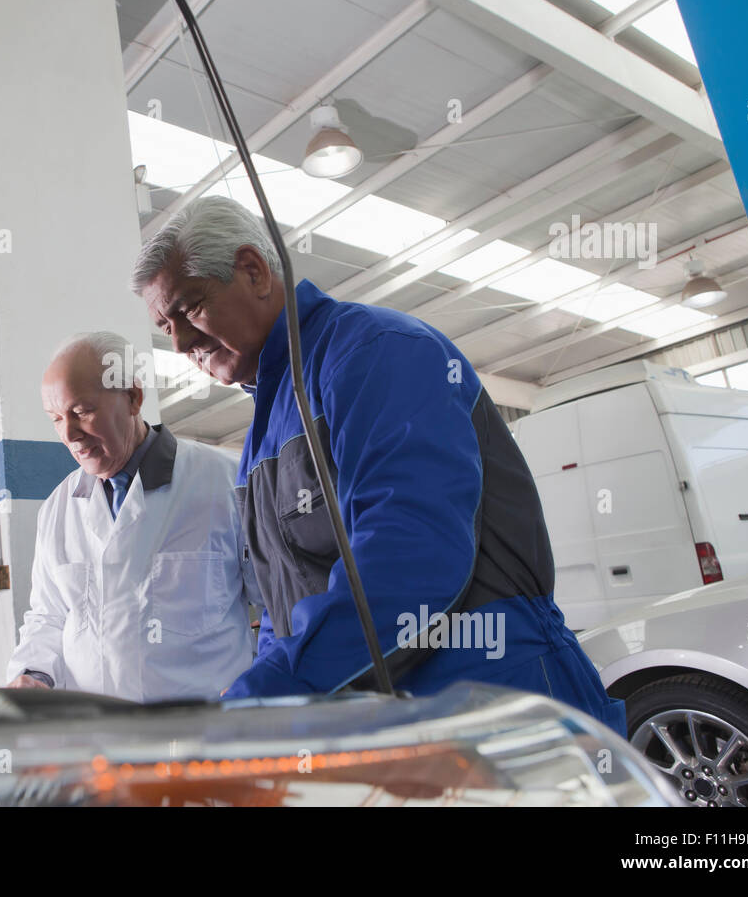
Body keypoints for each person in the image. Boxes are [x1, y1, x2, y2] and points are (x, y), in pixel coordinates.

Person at [131, 196, 627, 734]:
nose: (180, 341)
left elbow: (409, 552)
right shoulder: (260, 435)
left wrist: (271, 694)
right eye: (165, 327)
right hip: (388, 726)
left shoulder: (375, 353)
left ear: (252, 270)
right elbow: (281, 607)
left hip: (498, 706)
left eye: (189, 307)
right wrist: (266, 684)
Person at [5, 330, 256, 702]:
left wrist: (262, 686)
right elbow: (49, 615)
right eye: (56, 418)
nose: (69, 434)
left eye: (81, 412)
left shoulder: (226, 483)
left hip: (202, 734)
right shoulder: (59, 508)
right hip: (97, 737)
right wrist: (33, 673)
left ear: (133, 398)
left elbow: (278, 605)